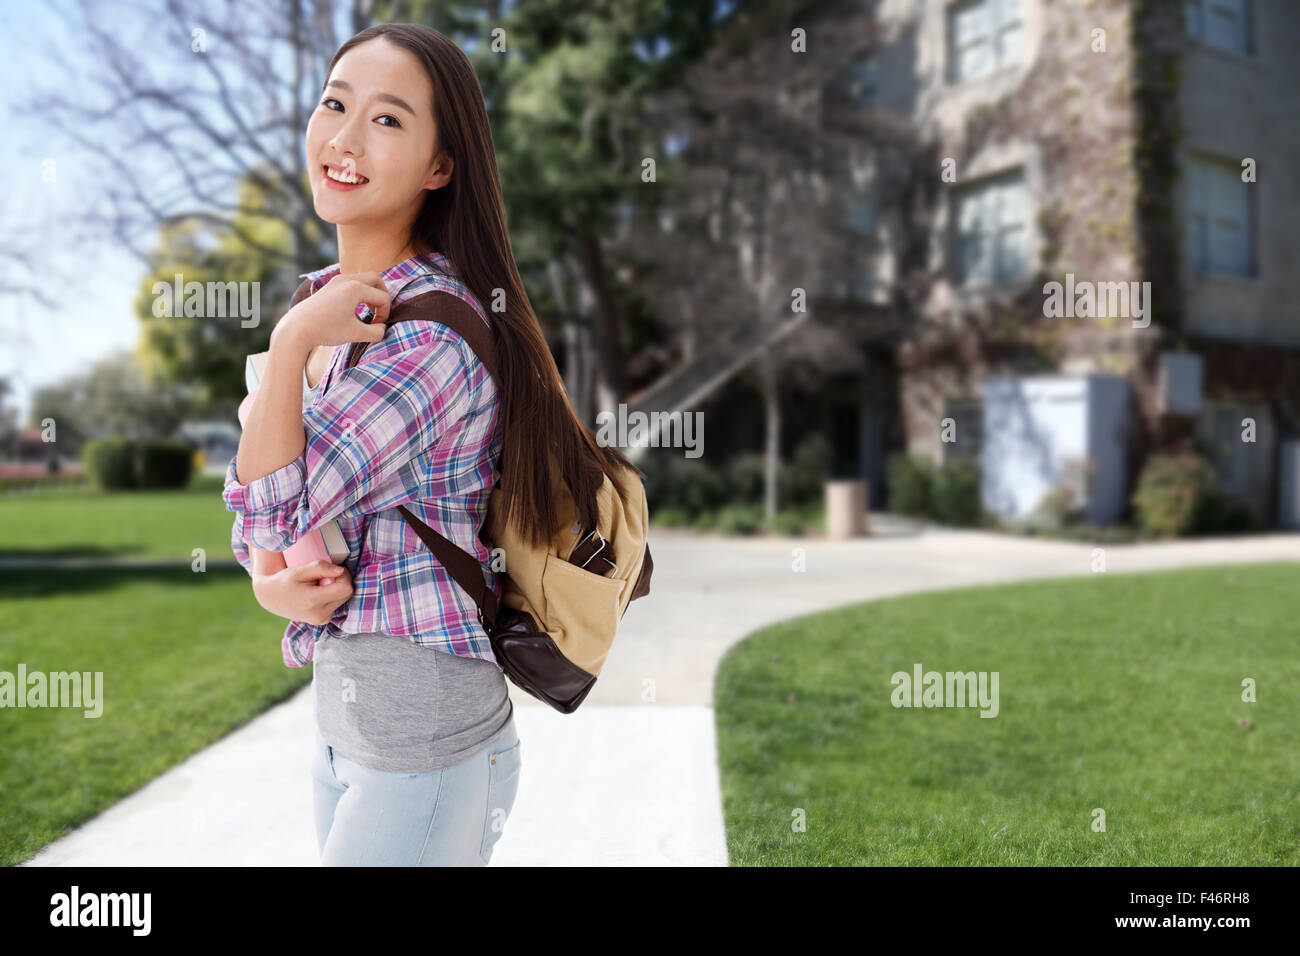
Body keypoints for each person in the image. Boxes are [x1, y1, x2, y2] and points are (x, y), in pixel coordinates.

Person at [221, 23, 640, 866]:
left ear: (440, 166)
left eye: (386, 119)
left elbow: (279, 497)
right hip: (348, 730)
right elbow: (265, 528)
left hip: (426, 745)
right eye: (335, 103)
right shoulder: (332, 305)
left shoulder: (430, 339)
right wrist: (272, 586)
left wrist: (295, 337)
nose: (342, 137)